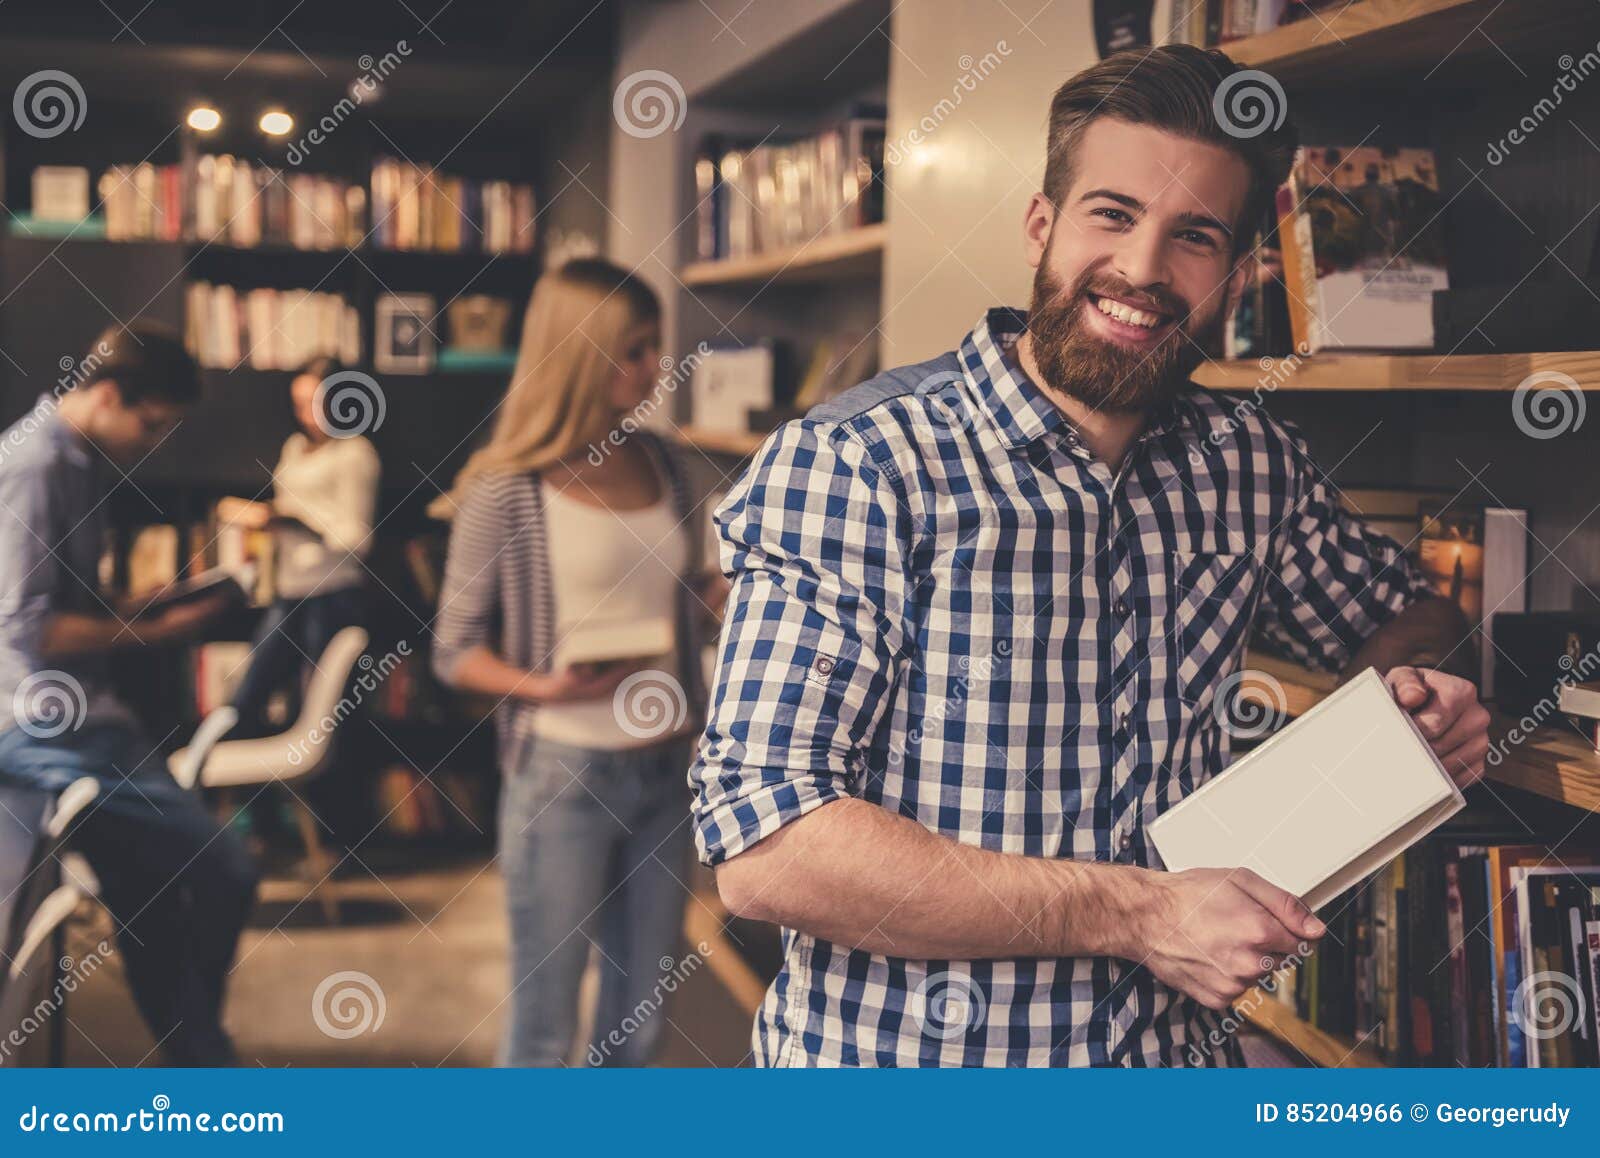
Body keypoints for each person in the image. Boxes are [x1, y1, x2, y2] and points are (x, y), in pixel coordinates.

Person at [689, 45, 1492, 1068]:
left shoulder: (1250, 464)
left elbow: (1413, 612)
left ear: (1237, 276)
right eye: (1110, 214)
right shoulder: (858, 462)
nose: (1144, 271)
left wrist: (1417, 694)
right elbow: (769, 855)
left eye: (1194, 237)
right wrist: (1136, 914)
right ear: (1042, 225)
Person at [432, 259, 724, 1067]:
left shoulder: (668, 465)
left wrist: (723, 594)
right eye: (632, 350)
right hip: (564, 778)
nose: (654, 367)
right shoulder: (507, 489)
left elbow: (671, 600)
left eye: (655, 346)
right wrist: (549, 684)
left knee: (640, 1026)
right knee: (544, 1029)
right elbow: (454, 653)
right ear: (578, 353)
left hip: (669, 770)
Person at [0, 324, 259, 1065]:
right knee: (224, 869)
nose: (152, 442)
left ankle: (200, 1059)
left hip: (85, 717)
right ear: (108, 394)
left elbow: (68, 603)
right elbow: (29, 627)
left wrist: (148, 603)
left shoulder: (80, 460)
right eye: (150, 424)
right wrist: (160, 633)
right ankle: (203, 1053)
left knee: (150, 902)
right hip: (39, 725)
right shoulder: (34, 465)